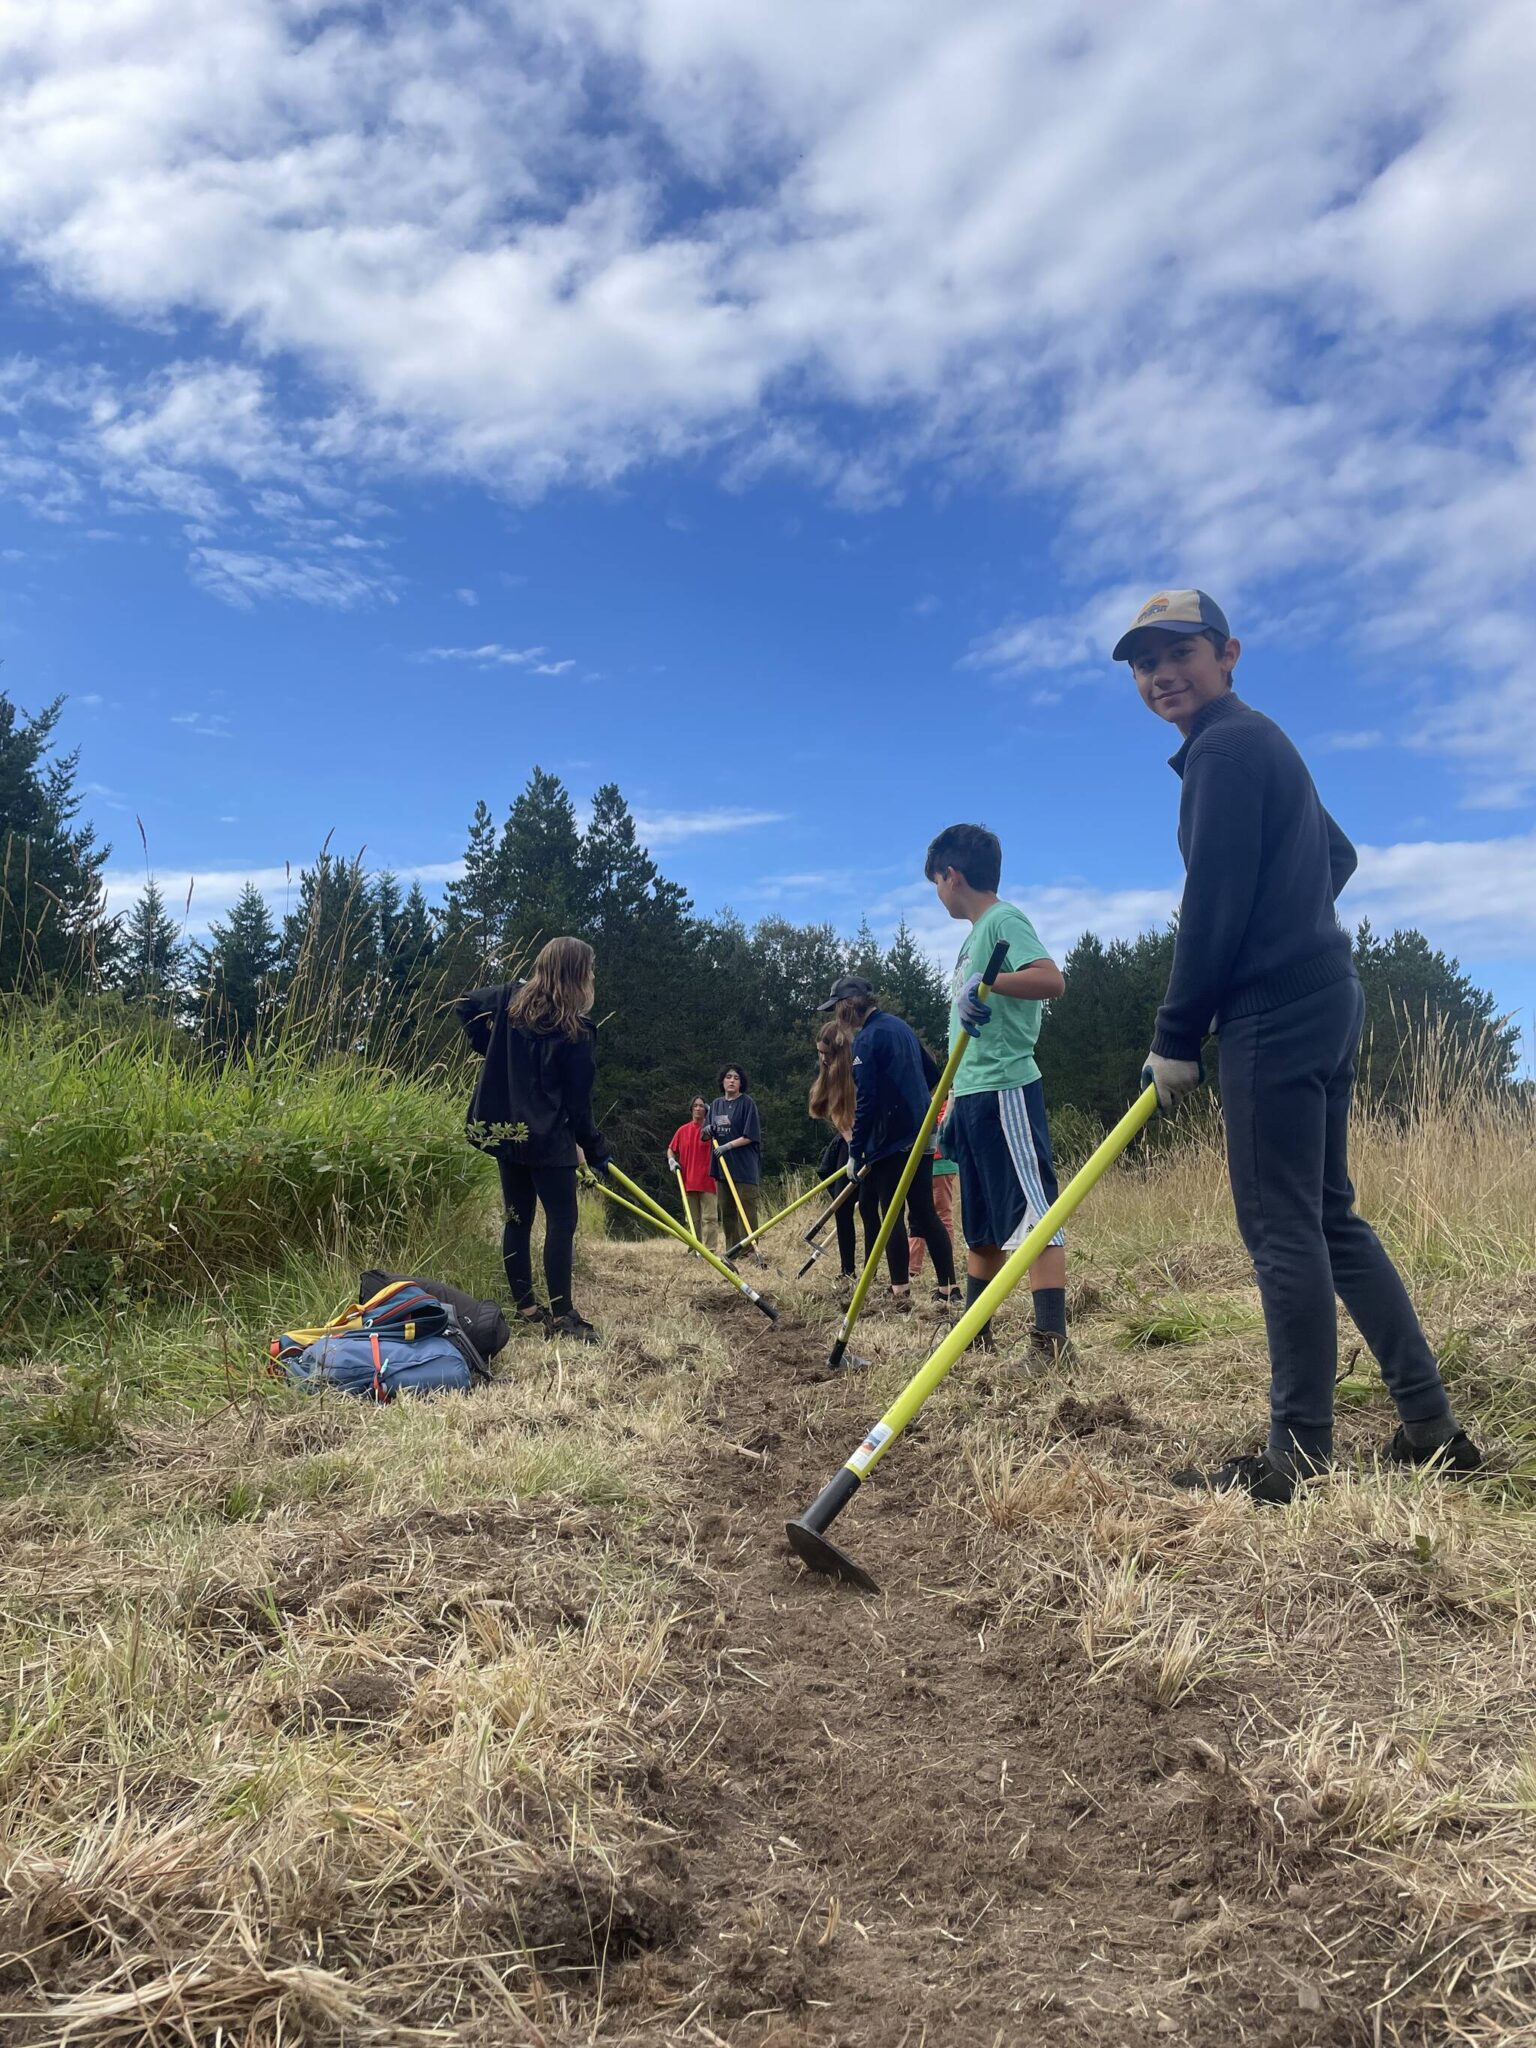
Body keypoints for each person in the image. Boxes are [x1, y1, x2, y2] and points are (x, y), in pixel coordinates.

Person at [1114, 588, 1481, 1500]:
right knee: (1326, 1217)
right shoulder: (1261, 741)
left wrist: (1175, 1034)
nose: (1163, 673)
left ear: (1228, 653)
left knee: (1282, 1226)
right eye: (1144, 662)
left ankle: (1299, 1458)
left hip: (1272, 1014)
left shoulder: (1225, 750)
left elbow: (1212, 906)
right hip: (1327, 992)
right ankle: (1429, 1424)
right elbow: (1338, 857)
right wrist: (1298, 920)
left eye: (1180, 653)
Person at [924, 823, 1071, 1363]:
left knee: (1035, 1215)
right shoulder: (973, 937)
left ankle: (1050, 1339)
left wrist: (989, 984)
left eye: (936, 883)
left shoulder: (1004, 920)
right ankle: (974, 1330)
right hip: (971, 1095)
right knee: (982, 1223)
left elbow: (1051, 980)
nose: (938, 895)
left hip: (1006, 1086)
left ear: (951, 875)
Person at [455, 935, 609, 1346]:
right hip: (549, 1139)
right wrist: (595, 1151)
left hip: (509, 1134)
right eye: (589, 970)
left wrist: (489, 1046)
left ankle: (525, 1306)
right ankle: (563, 1316)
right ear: (576, 975)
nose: (592, 976)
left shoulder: (509, 1001)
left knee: (517, 1219)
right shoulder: (577, 1031)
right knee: (562, 1221)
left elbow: (466, 1003)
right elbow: (578, 1105)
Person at [817, 975, 961, 1313]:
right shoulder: (901, 1028)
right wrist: (914, 1103)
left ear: (849, 1007)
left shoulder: (866, 1040)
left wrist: (855, 1153)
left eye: (838, 1011)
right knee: (925, 1212)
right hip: (922, 1133)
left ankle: (900, 1293)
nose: (839, 1019)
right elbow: (933, 1073)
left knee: (891, 1214)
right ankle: (948, 1288)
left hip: (890, 1140)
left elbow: (865, 1101)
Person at [808, 1018, 873, 1304]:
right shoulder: (830, 1076)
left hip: (870, 1142)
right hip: (848, 1142)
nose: (822, 1059)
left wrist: (864, 1150)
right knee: (841, 1206)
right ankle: (847, 1270)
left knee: (871, 1209)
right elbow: (834, 1113)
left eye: (827, 1054)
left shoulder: (859, 1069)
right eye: (820, 1053)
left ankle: (870, 1271)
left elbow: (868, 1109)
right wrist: (852, 1148)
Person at [708, 1063, 764, 1257]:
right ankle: (733, 1251)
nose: (732, 1081)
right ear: (722, 1081)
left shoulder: (747, 1103)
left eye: (736, 1078)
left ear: (741, 1083)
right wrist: (706, 1131)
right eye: (728, 1077)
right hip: (723, 1167)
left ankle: (750, 1250)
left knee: (746, 1210)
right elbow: (707, 1131)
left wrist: (728, 1146)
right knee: (727, 1211)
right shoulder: (715, 1105)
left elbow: (750, 1135)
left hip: (744, 1167)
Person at [907, 1104, 958, 1280]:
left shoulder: (945, 1104)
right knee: (916, 1216)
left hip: (939, 1165)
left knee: (942, 1215)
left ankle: (946, 1265)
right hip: (921, 1165)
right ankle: (913, 1266)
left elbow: (944, 1129)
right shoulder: (923, 1100)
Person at [666, 1095, 717, 1246]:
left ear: (706, 1110)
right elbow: (671, 1149)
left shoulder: (710, 1131)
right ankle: (695, 1248)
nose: (698, 1108)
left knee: (710, 1218)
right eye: (695, 1106)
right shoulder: (682, 1131)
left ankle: (710, 1250)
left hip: (708, 1181)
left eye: (701, 1106)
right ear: (691, 1109)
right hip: (688, 1181)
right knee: (692, 1219)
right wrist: (672, 1161)